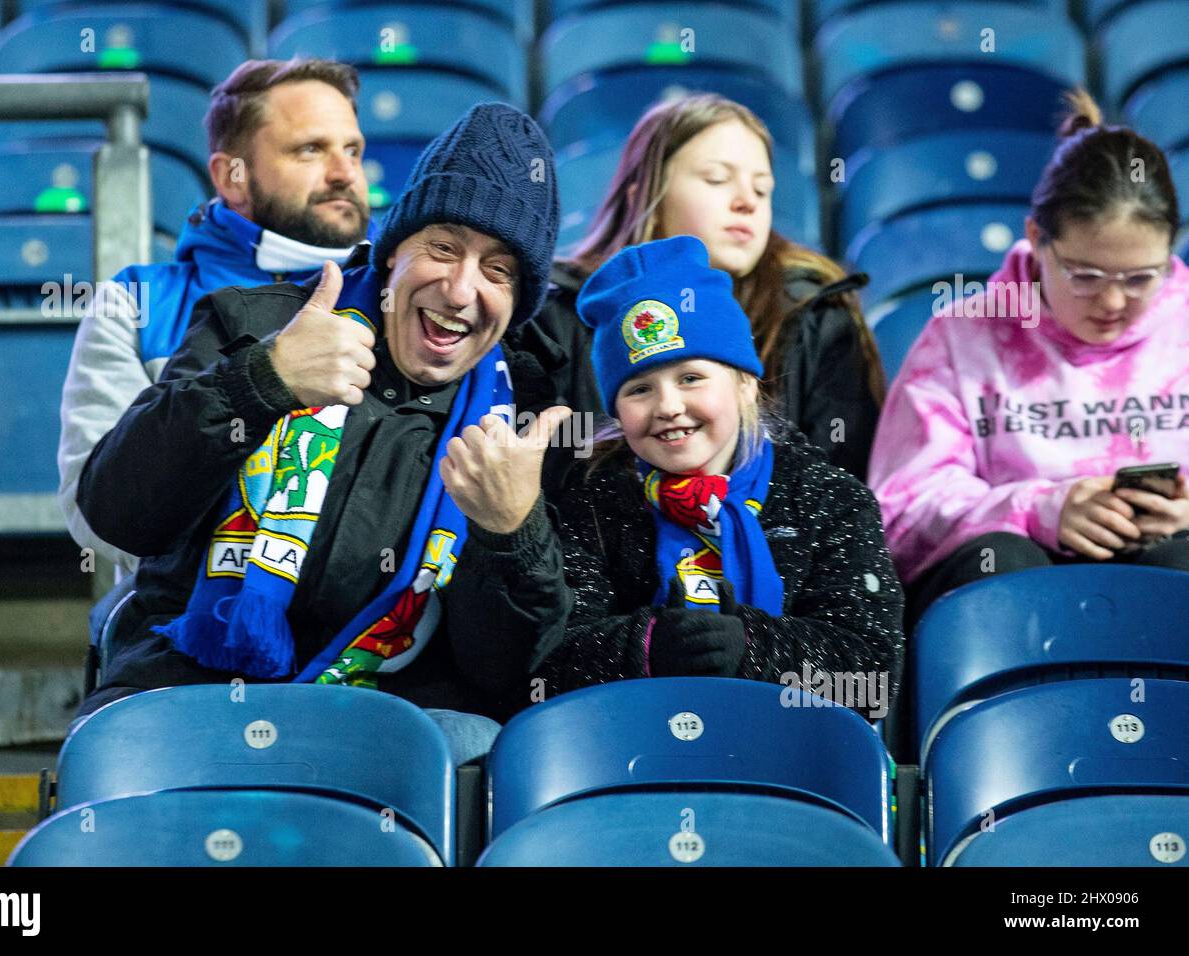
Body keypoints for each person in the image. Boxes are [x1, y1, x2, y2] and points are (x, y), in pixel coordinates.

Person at [71, 103, 565, 765]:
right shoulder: (259, 322)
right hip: (190, 683)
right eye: (443, 248)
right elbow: (119, 514)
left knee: (479, 752)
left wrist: (511, 534)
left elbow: (505, 673)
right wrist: (260, 380)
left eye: (498, 270)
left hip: (388, 715)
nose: (460, 289)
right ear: (393, 256)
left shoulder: (519, 423)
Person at [445, 235, 904, 720]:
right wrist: (650, 645)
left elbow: (872, 677)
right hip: (636, 758)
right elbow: (548, 667)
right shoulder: (596, 502)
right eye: (640, 388)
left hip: (797, 764)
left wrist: (748, 646)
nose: (667, 406)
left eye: (691, 378)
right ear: (617, 411)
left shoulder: (830, 499)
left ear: (745, 383)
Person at [870, 89, 1189, 635]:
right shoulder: (964, 334)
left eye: (1140, 279)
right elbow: (900, 511)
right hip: (1019, 586)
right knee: (1004, 562)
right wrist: (1042, 509)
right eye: (1085, 276)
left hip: (1163, 560)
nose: (1113, 303)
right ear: (1037, 238)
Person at [58, 58, 371, 577]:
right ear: (233, 176)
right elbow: (96, 514)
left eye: (353, 150)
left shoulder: (404, 297)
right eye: (311, 149)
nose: (344, 173)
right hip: (174, 636)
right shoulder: (136, 302)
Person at [523, 93, 886, 482]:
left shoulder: (814, 314)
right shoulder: (552, 316)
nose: (748, 202)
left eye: (762, 189)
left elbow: (842, 497)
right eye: (717, 179)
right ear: (644, 194)